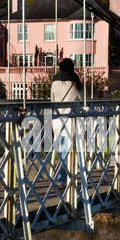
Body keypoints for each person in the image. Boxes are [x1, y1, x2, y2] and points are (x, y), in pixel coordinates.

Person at [49, 58, 83, 188]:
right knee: (68, 150)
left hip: (57, 120)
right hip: (71, 121)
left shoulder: (54, 82)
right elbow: (82, 100)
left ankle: (63, 177)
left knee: (62, 149)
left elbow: (52, 100)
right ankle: (63, 178)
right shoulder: (75, 82)